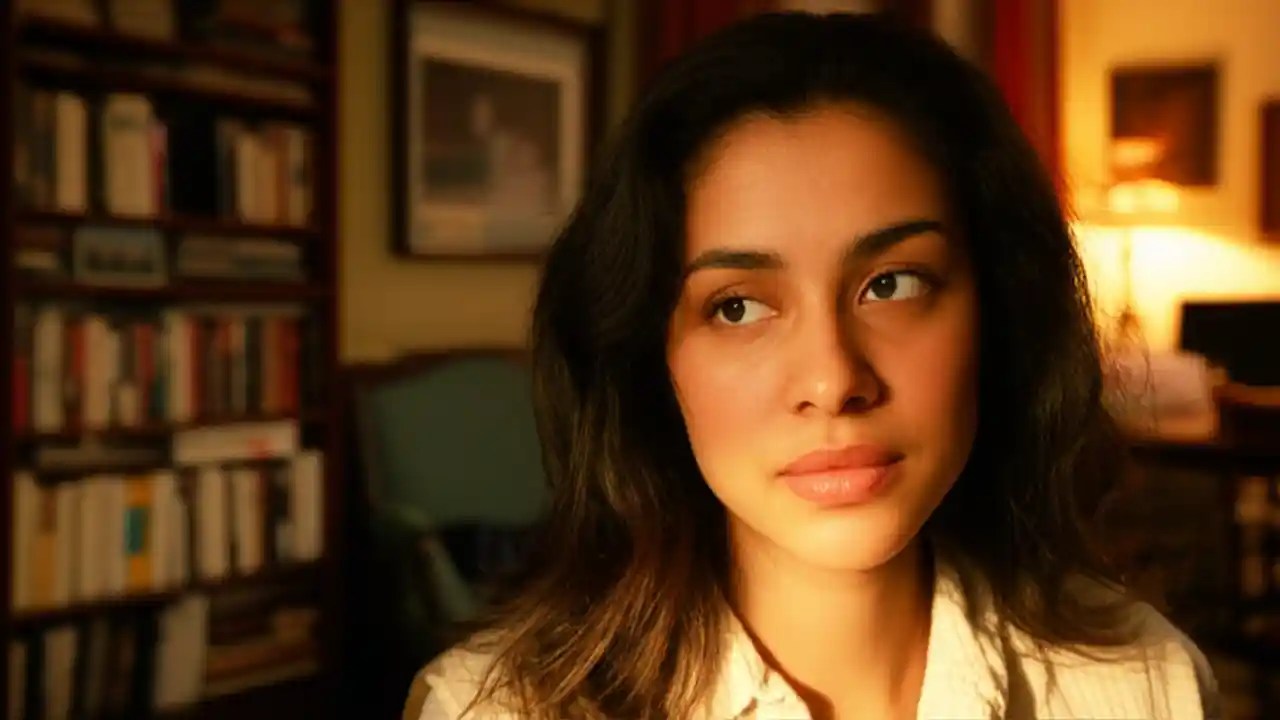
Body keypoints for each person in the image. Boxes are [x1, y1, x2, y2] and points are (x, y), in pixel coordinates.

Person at [405, 11, 1220, 720]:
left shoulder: (1150, 688)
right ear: (652, 359)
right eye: (738, 306)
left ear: (997, 313)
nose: (834, 380)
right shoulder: (496, 710)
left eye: (891, 285)